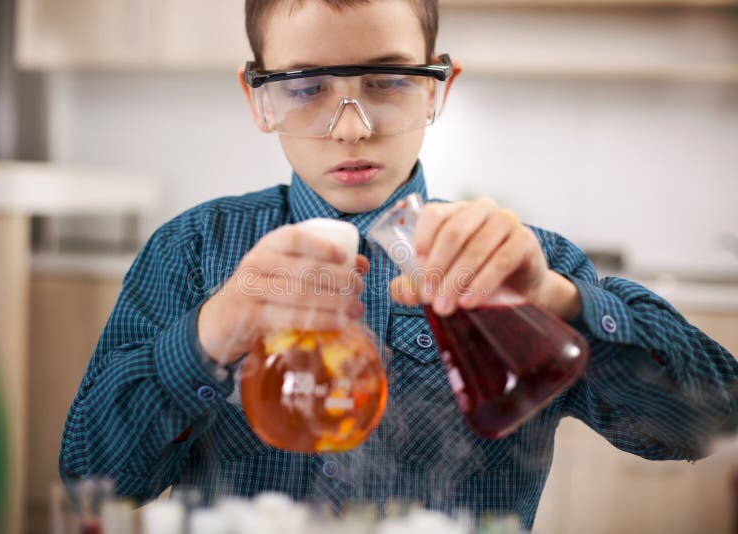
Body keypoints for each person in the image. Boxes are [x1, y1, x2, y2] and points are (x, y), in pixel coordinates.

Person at [59, 0, 738, 528]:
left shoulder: (525, 266)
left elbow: (711, 421)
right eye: (305, 87)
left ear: (438, 87)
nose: (351, 126)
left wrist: (559, 301)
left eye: (388, 80)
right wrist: (213, 334)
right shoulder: (193, 251)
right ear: (258, 96)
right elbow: (93, 477)